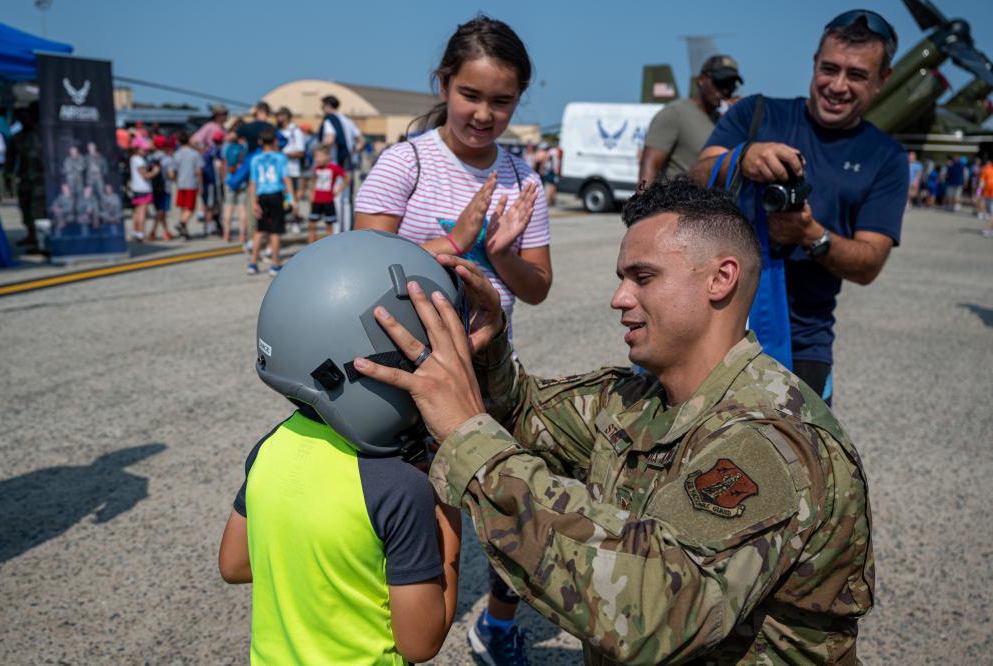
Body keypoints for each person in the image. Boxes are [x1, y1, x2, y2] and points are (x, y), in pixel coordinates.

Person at [354, 176, 875, 664]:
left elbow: (658, 612)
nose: (619, 298)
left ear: (721, 279)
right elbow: (525, 417)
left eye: (642, 278)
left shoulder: (772, 438)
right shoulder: (638, 398)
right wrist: (486, 351)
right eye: (622, 279)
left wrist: (468, 438)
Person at [354, 17, 550, 664]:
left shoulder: (524, 179)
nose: (484, 114)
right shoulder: (405, 161)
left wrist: (502, 256)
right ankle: (408, 636)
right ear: (444, 83)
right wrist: (452, 245)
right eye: (471, 95)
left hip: (490, 372)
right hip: (408, 373)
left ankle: (495, 624)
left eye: (502, 101)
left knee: (511, 508)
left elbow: (539, 283)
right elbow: (357, 266)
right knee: (428, 521)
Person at [219, 232, 464, 664]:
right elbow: (420, 643)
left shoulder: (271, 447)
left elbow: (235, 565)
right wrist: (450, 511)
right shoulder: (400, 489)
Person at [693, 9, 908, 404]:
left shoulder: (887, 158)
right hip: (710, 324)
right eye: (829, 68)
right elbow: (694, 179)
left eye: (857, 75)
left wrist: (812, 236)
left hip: (801, 346)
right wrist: (742, 159)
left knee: (789, 463)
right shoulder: (755, 114)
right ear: (813, 63)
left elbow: (869, 264)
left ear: (883, 80)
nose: (837, 85)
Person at [639, 55, 743, 188]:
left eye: (732, 85)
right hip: (677, 204)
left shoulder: (722, 121)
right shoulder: (674, 113)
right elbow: (650, 165)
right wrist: (642, 205)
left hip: (711, 205)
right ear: (700, 80)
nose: (726, 90)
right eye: (720, 83)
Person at [247, 128, 295, 276]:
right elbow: (286, 179)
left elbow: (253, 182)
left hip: (262, 196)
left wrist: (253, 202)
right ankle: (274, 264)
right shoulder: (280, 157)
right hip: (275, 195)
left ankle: (253, 263)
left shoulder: (255, 159)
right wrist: (292, 198)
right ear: (275, 141)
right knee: (275, 231)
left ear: (260, 142)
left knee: (260, 230)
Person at [319, 95, 364, 231]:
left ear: (327, 106)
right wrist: (352, 152)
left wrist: (319, 149)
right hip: (348, 162)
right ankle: (346, 229)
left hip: (335, 163)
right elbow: (361, 140)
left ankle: (336, 232)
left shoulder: (329, 120)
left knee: (336, 197)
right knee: (346, 200)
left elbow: (330, 138)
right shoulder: (347, 121)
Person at [307, 145, 348, 243]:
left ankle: (329, 246)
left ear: (328, 156)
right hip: (316, 201)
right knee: (311, 225)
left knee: (329, 227)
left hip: (328, 201)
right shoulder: (316, 168)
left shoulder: (334, 168)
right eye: (316, 157)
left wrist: (338, 189)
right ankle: (309, 247)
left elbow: (347, 177)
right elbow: (313, 181)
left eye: (319, 156)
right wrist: (311, 194)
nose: (317, 159)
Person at [276, 107, 306, 232]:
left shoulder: (296, 131)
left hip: (292, 171)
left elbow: (301, 152)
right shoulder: (277, 131)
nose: (278, 118)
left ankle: (295, 221)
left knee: (292, 198)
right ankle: (283, 221)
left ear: (286, 116)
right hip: (279, 172)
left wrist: (285, 155)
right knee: (281, 199)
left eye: (280, 115)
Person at [170, 131, 204, 240]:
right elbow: (199, 171)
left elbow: (171, 172)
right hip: (191, 183)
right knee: (191, 208)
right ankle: (182, 223)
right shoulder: (194, 154)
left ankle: (184, 231)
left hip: (181, 184)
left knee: (183, 208)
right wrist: (200, 184)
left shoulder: (176, 154)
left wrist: (176, 180)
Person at [129, 135, 159, 242]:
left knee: (136, 212)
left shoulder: (133, 158)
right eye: (144, 149)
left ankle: (136, 232)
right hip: (143, 189)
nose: (146, 151)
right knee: (142, 213)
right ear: (137, 148)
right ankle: (141, 234)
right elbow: (145, 175)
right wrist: (155, 171)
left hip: (136, 188)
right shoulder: (139, 160)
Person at [221, 128, 249, 244]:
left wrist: (224, 178)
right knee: (242, 209)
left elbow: (224, 164)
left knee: (228, 208)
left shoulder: (226, 147)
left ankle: (226, 234)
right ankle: (242, 235)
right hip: (242, 180)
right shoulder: (245, 147)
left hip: (229, 180)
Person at [202, 131, 225, 236]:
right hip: (212, 181)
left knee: (210, 204)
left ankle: (211, 224)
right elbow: (219, 166)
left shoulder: (208, 150)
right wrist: (222, 179)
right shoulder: (216, 151)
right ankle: (210, 226)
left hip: (207, 180)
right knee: (212, 204)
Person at [979, 158, 993, 235]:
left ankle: (988, 229)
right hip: (987, 195)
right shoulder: (987, 168)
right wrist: (978, 193)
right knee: (988, 212)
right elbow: (982, 181)